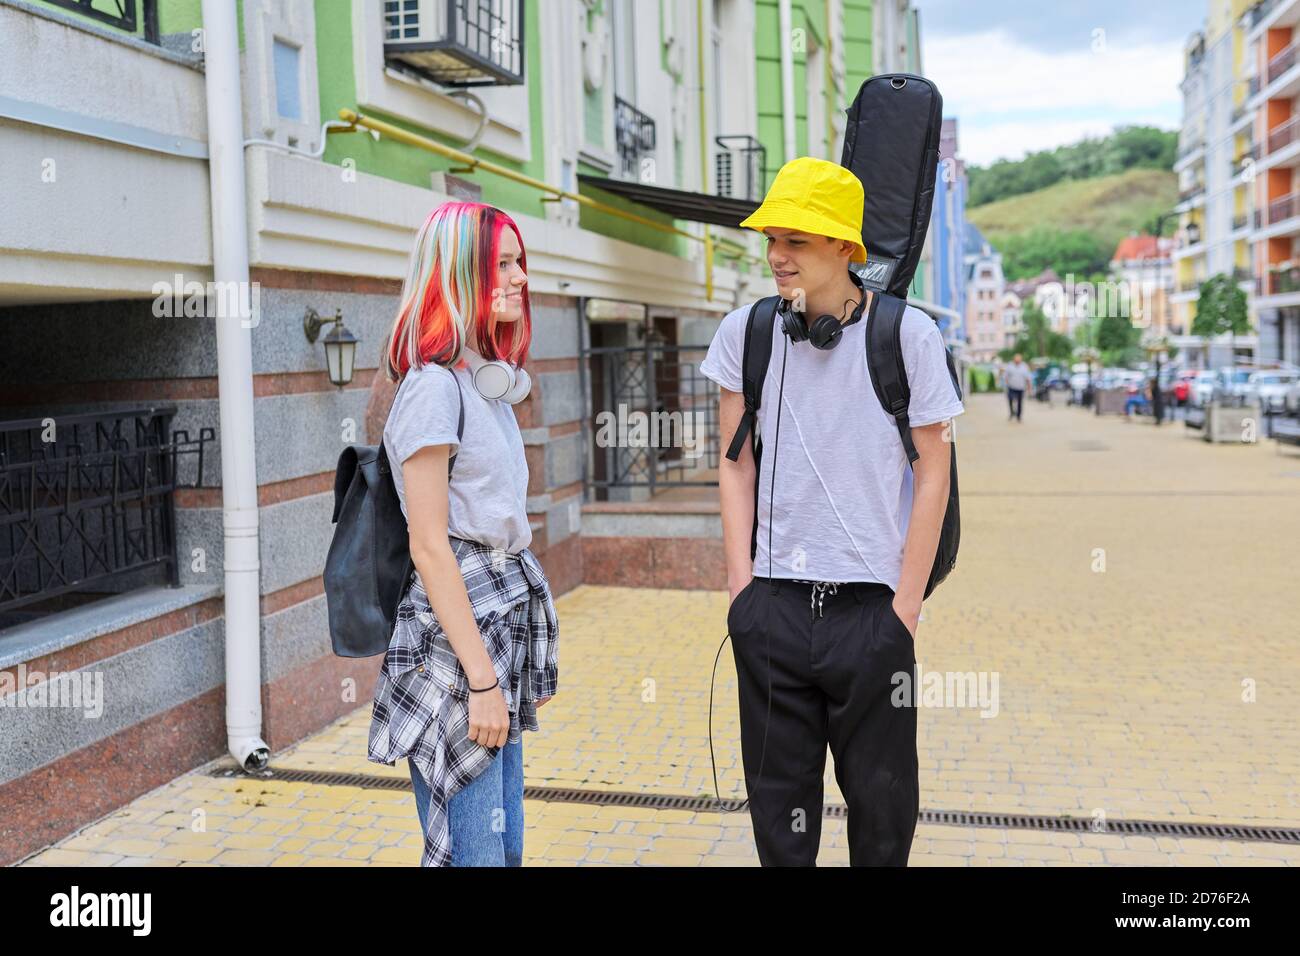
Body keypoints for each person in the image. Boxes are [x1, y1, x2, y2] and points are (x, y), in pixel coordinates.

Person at [698, 157, 964, 866]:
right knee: (779, 825)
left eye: (798, 242)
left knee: (882, 820)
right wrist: (740, 586)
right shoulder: (746, 335)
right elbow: (733, 460)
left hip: (871, 616)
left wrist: (904, 604)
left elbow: (932, 471)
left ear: (845, 248)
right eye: (771, 240)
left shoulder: (908, 338)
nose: (777, 257)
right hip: (772, 610)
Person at [366, 200, 559, 867]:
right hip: (455, 649)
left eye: (519, 262)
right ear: (458, 274)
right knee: (474, 854)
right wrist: (480, 679)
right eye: (501, 264)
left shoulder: (481, 385)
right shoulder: (432, 390)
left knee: (501, 852)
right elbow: (429, 545)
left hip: (490, 626)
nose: (519, 279)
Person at [1002, 353, 1032, 421]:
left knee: (1020, 402)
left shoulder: (1024, 367)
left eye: (1019, 359)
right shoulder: (1010, 366)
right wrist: (1006, 385)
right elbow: (1005, 376)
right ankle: (1012, 412)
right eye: (1016, 359)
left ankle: (1018, 416)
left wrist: (1029, 388)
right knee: (1011, 399)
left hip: (1021, 388)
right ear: (1014, 359)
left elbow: (1028, 378)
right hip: (1011, 387)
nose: (1017, 360)